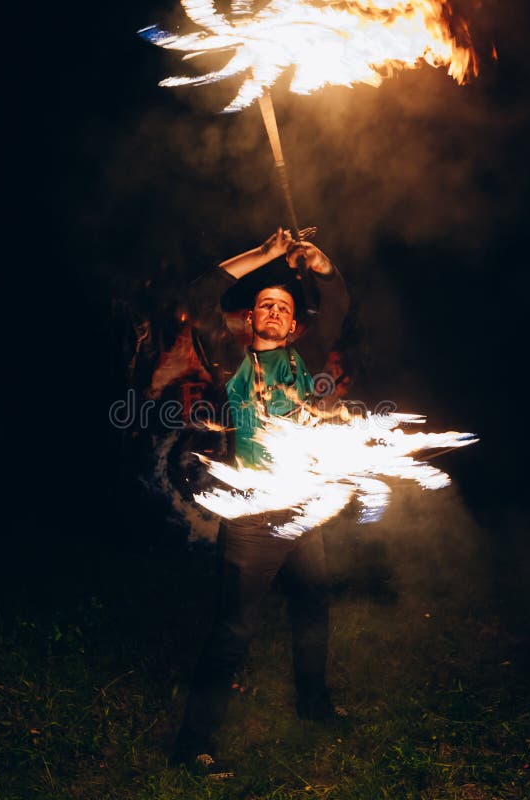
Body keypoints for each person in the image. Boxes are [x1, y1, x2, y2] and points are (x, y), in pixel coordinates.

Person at [172, 228, 350, 771]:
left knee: (314, 607)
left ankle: (313, 706)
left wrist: (322, 266)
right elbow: (201, 297)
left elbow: (339, 302)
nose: (273, 311)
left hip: (300, 511)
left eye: (283, 307)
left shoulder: (306, 355)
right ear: (250, 319)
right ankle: (193, 746)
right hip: (251, 515)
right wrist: (267, 255)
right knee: (233, 630)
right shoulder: (230, 359)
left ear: (295, 326)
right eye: (264, 305)